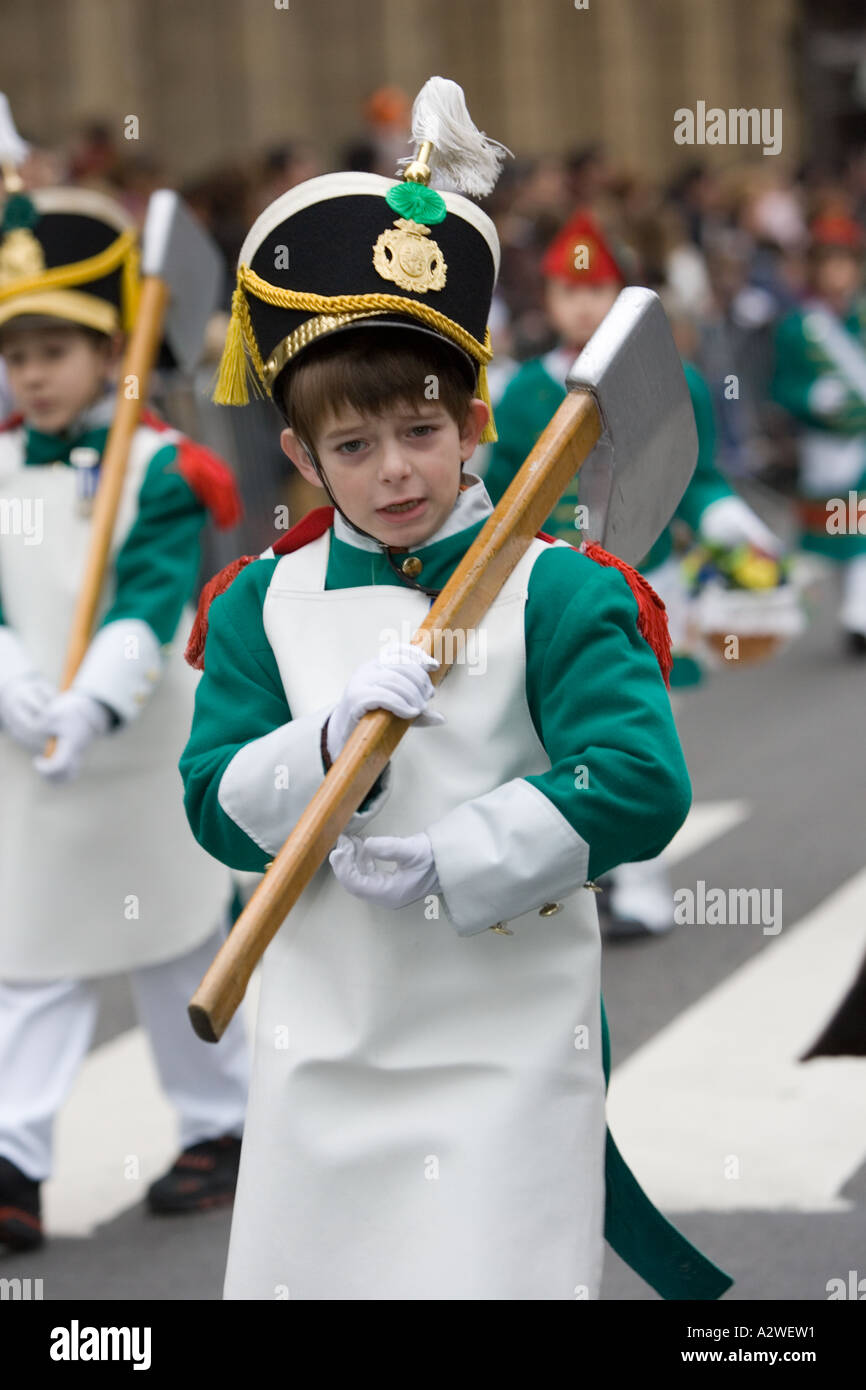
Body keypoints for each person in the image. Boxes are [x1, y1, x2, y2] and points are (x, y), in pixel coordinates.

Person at [179, 77, 731, 1300]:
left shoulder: (561, 592)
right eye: (353, 446)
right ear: (299, 456)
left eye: (420, 431)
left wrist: (461, 853)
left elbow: (638, 781)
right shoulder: (256, 606)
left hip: (505, 1040)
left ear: (473, 415)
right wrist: (318, 740)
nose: (392, 473)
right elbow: (212, 798)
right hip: (322, 1047)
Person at [0, 184, 250, 1250]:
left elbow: (151, 601)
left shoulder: (158, 468)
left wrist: (95, 698)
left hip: (137, 742)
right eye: (17, 354)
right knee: (30, 953)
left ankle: (221, 1121)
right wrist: (7, 672)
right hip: (26, 749)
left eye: (56, 348)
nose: (34, 373)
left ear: (112, 353)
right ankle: (13, 1156)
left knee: (175, 946)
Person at [483, 209, 785, 937]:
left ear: (622, 294)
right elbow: (500, 492)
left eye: (598, 288)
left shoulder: (669, 378)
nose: (582, 304)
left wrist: (733, 528)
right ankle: (581, 880)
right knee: (560, 742)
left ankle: (644, 894)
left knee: (638, 745)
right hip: (550, 592)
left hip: (646, 591)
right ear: (547, 301)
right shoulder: (524, 393)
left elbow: (698, 474)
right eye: (566, 291)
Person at [771, 212, 866, 653]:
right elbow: (780, 385)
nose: (837, 273)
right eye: (827, 263)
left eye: (844, 262)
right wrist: (811, 397)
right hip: (824, 446)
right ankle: (779, 602)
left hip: (862, 442)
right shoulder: (797, 327)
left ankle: (858, 614)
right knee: (825, 538)